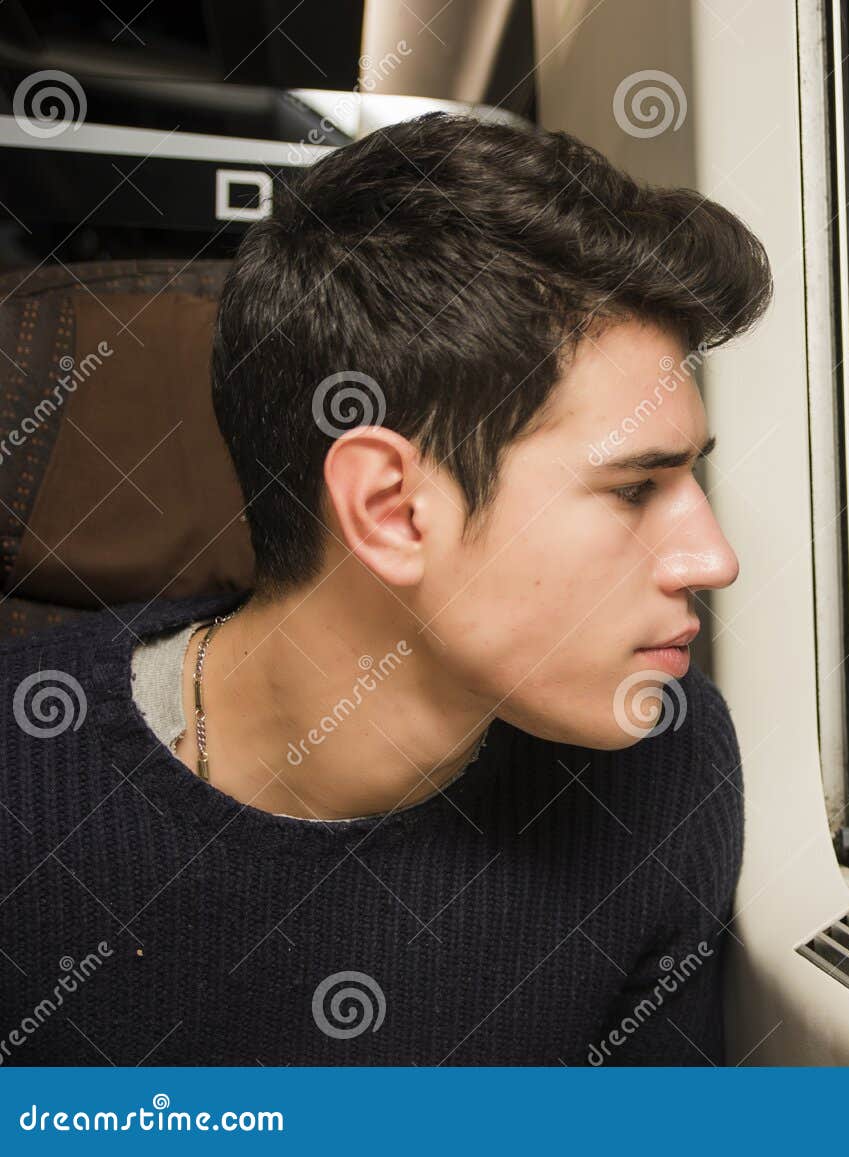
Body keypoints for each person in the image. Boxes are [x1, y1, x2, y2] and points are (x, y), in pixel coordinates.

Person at [0, 112, 772, 1065]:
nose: (713, 558)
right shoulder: (25, 785)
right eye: (633, 487)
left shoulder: (667, 772)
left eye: (692, 479)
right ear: (392, 509)